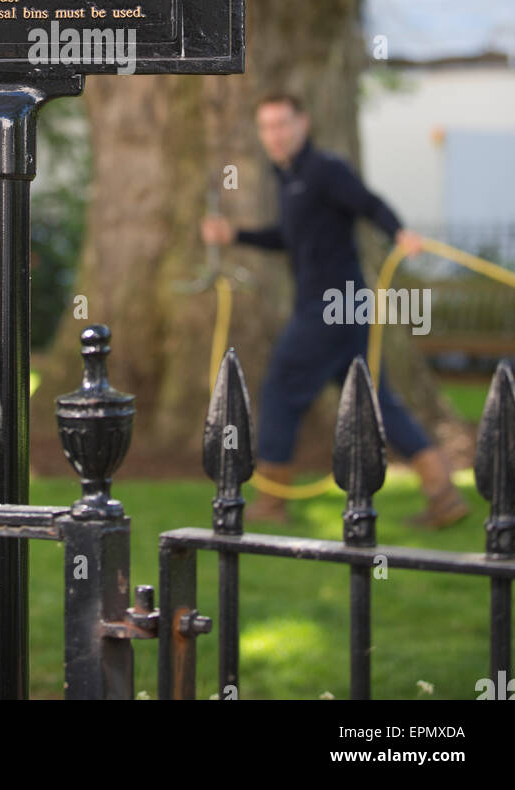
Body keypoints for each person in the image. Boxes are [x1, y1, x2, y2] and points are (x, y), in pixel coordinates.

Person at [201, 93, 468, 528]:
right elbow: (288, 238)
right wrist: (236, 235)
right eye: (267, 127)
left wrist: (400, 232)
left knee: (282, 390)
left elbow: (369, 204)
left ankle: (271, 502)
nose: (276, 135)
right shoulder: (289, 180)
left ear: (303, 123)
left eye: (283, 124)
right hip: (344, 309)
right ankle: (443, 492)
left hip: (331, 306)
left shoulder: (325, 170)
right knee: (374, 400)